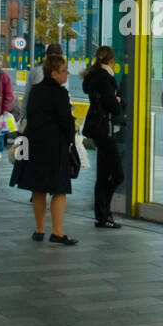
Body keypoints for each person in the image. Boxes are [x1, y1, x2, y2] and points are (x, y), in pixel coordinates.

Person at [18, 53, 78, 245]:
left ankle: (39, 229)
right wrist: (70, 139)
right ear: (54, 74)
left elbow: (29, 112)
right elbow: (66, 122)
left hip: (35, 143)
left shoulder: (36, 90)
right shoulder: (60, 93)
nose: (67, 74)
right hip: (55, 146)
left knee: (38, 188)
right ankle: (58, 231)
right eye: (63, 71)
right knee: (59, 190)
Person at [82, 46, 125, 229]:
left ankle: (102, 215)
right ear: (111, 60)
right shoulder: (105, 78)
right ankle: (104, 211)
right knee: (117, 174)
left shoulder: (93, 75)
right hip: (105, 130)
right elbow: (112, 106)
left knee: (102, 175)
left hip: (97, 129)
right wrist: (118, 101)